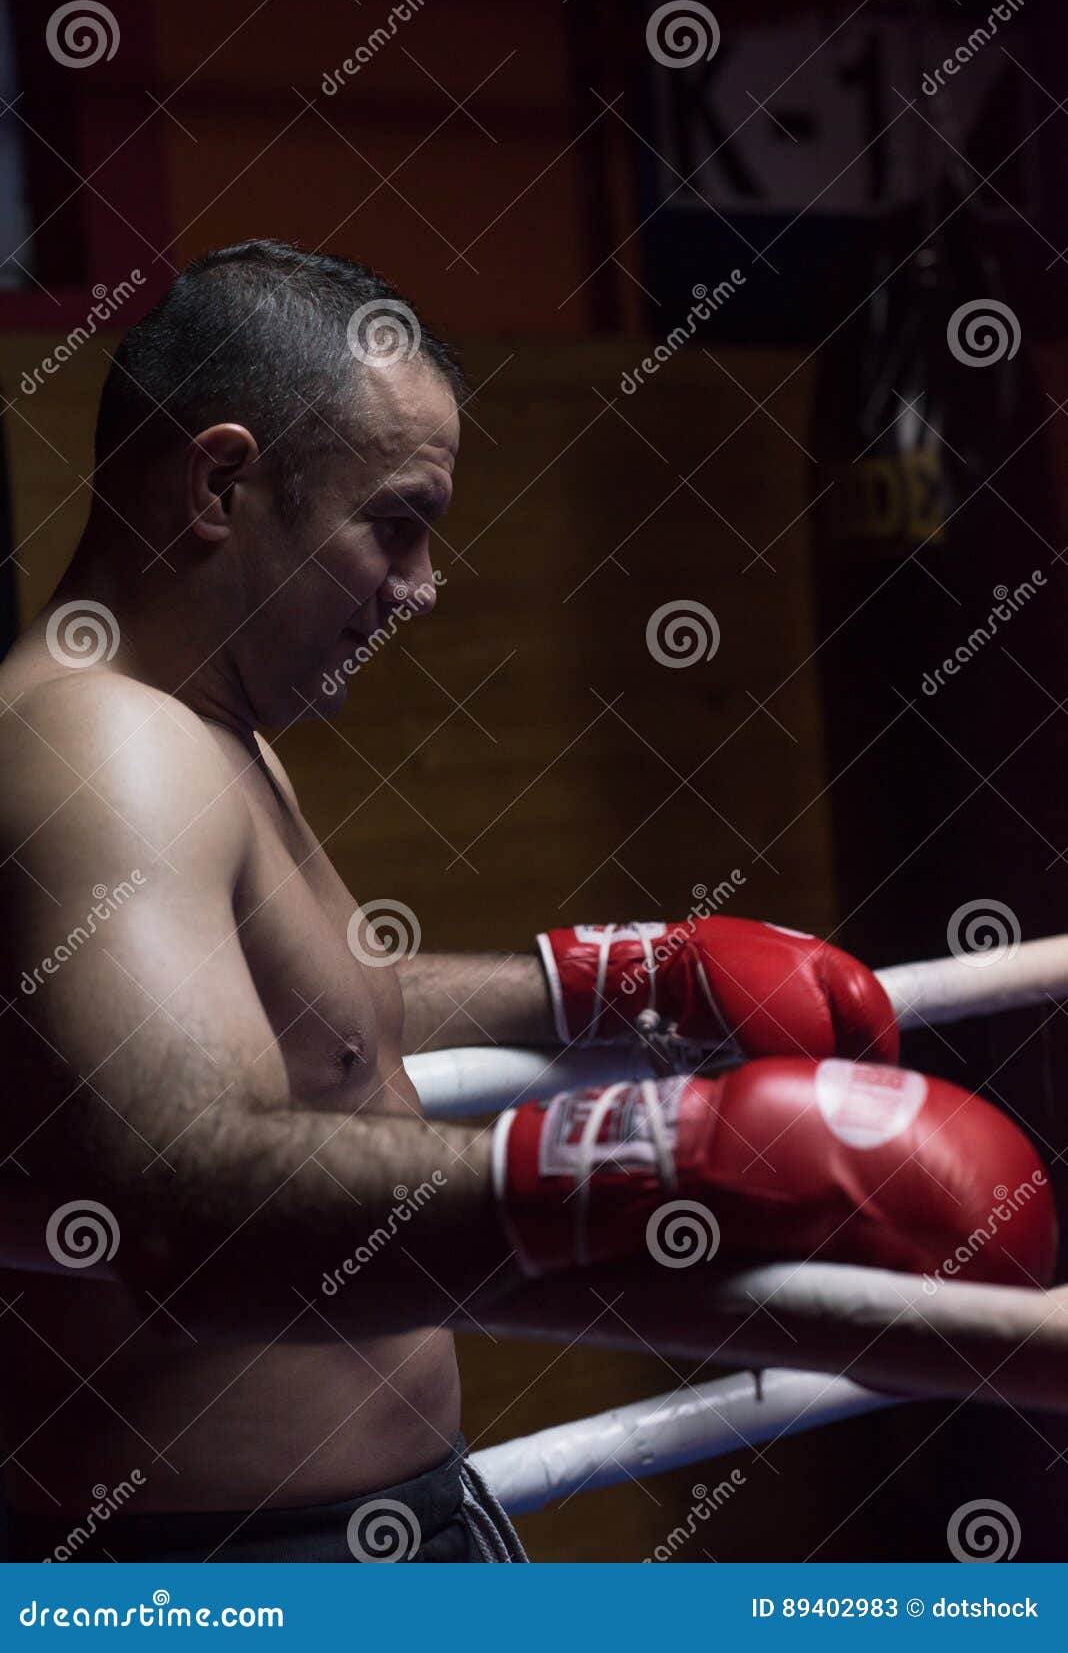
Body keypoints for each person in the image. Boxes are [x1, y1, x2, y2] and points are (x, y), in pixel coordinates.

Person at [0, 242, 1051, 1563]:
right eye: (395, 518)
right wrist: (637, 1163)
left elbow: (331, 1018)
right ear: (221, 479)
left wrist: (621, 977)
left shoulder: (198, 730)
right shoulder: (97, 750)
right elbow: (178, 1197)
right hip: (238, 1573)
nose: (424, 581)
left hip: (377, 1534)